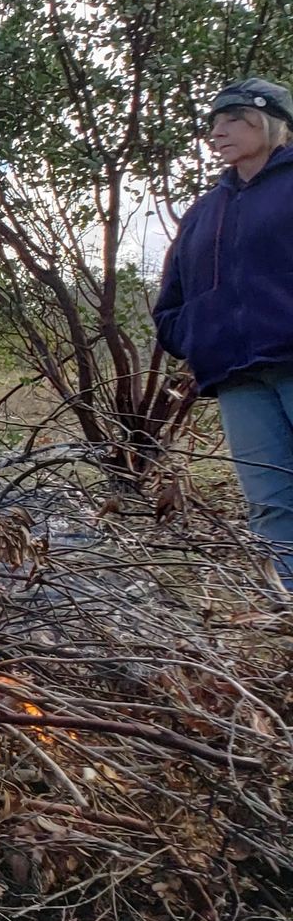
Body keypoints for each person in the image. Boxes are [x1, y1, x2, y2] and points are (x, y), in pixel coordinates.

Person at [155, 77, 293, 592]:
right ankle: (286, 611)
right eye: (214, 123)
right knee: (270, 500)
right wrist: (195, 336)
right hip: (237, 376)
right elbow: (172, 297)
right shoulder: (205, 211)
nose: (218, 132)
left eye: (233, 119)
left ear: (270, 122)